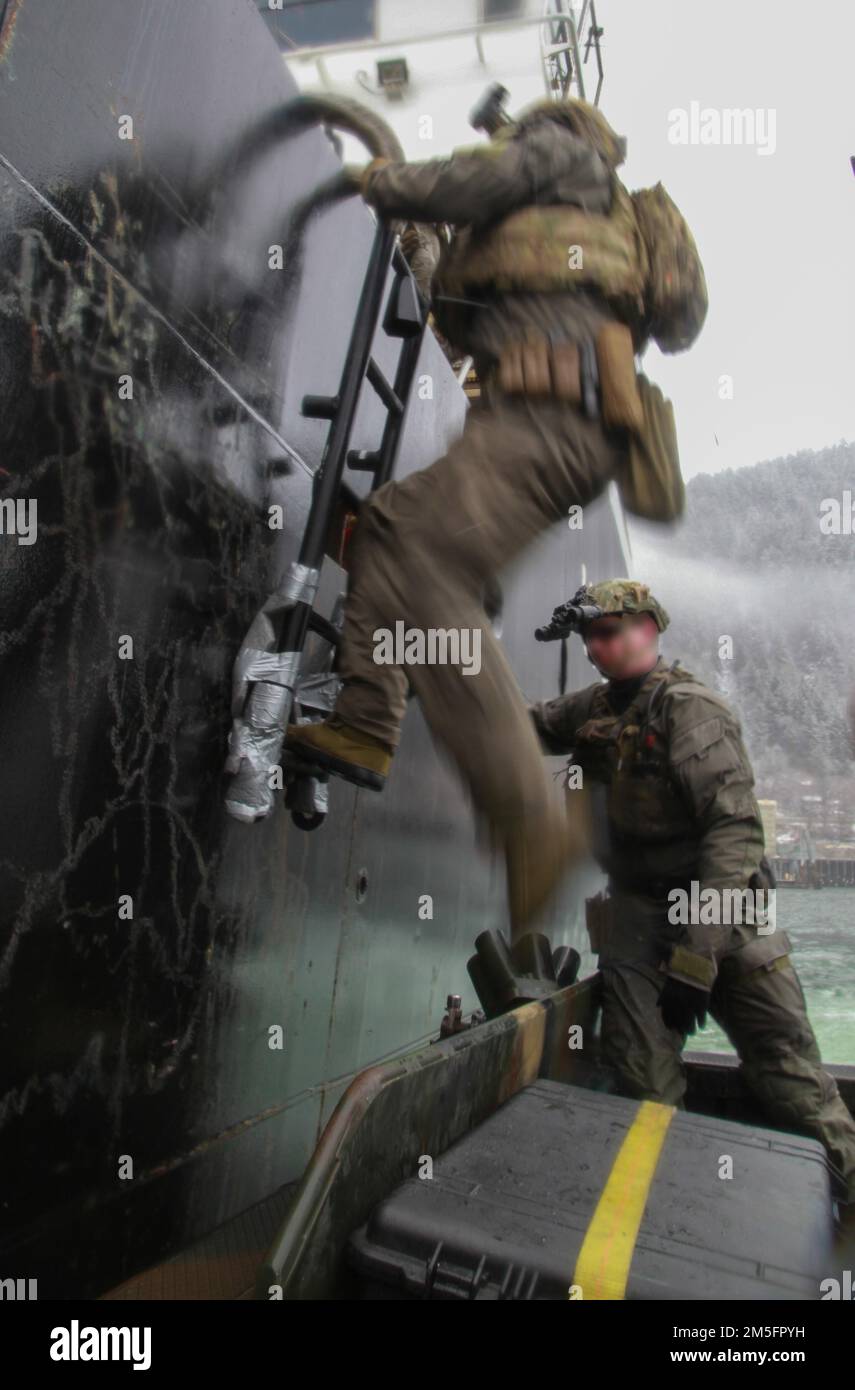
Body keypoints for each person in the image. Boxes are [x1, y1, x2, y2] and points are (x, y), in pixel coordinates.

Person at [287, 97, 657, 938]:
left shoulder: (562, 153)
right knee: (387, 529)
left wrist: (381, 178)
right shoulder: (576, 193)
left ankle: (530, 818)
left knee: (423, 559)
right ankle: (364, 722)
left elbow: (482, 179)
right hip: (534, 416)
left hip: (551, 415)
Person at [528, 577, 855, 1219]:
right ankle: (673, 1221)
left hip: (721, 911)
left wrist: (698, 957)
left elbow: (734, 833)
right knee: (642, 1078)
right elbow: (530, 724)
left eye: (612, 632)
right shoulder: (597, 704)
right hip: (638, 916)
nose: (599, 647)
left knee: (788, 1079)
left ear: (649, 630)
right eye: (591, 637)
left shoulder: (689, 710)